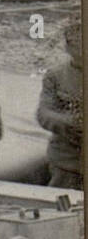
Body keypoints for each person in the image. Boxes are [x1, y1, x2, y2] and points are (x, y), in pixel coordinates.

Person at [37, 20, 83, 190]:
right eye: (76, 44)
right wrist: (70, 122)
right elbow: (44, 113)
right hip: (67, 161)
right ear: (68, 48)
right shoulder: (55, 76)